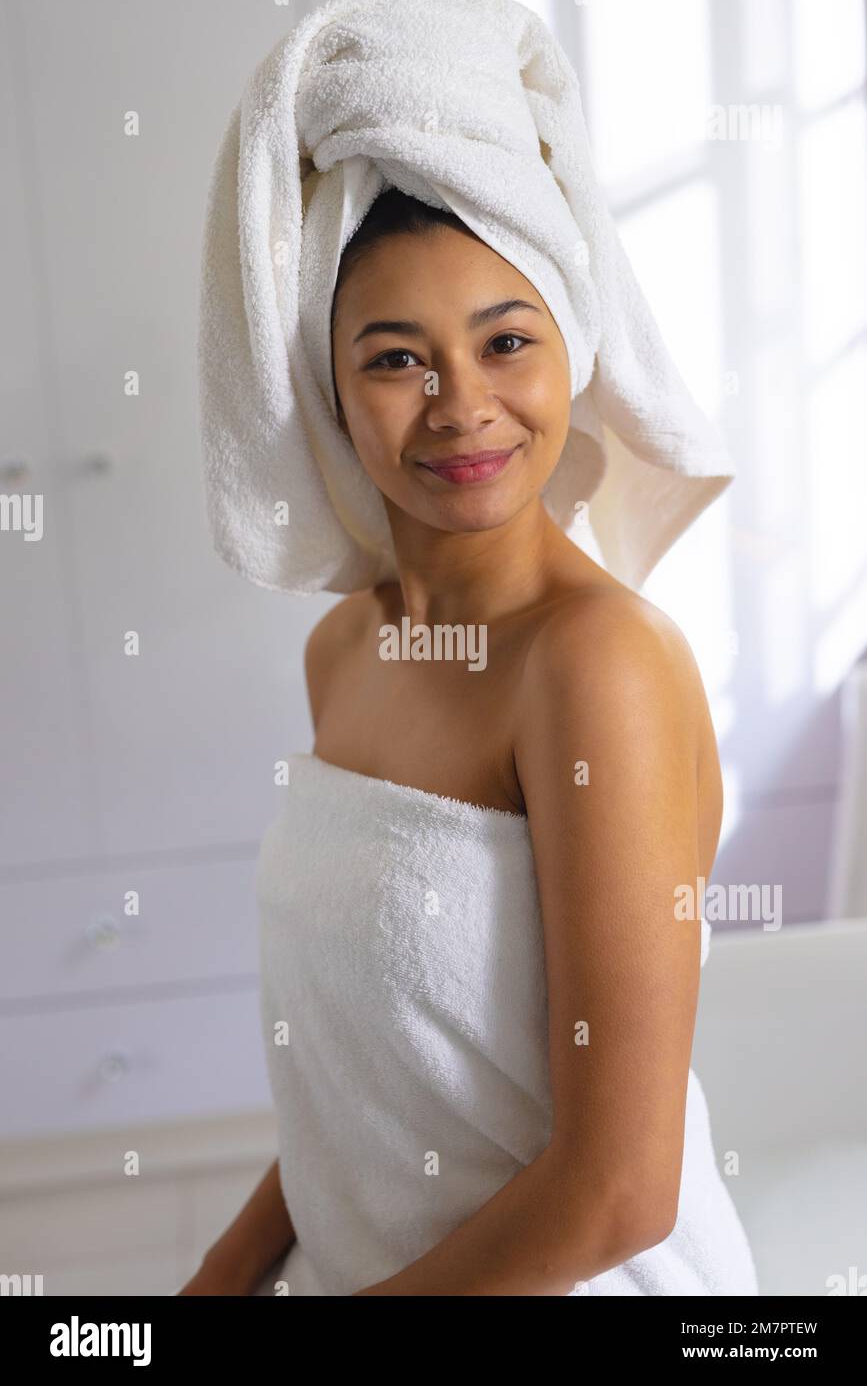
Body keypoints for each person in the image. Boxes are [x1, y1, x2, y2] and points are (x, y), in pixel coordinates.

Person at [180, 188, 759, 1296]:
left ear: (571, 359)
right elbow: (369, 1076)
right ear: (331, 396)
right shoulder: (345, 650)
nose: (461, 404)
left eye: (505, 342)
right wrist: (225, 1269)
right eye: (397, 360)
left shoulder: (597, 668)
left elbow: (622, 1189)